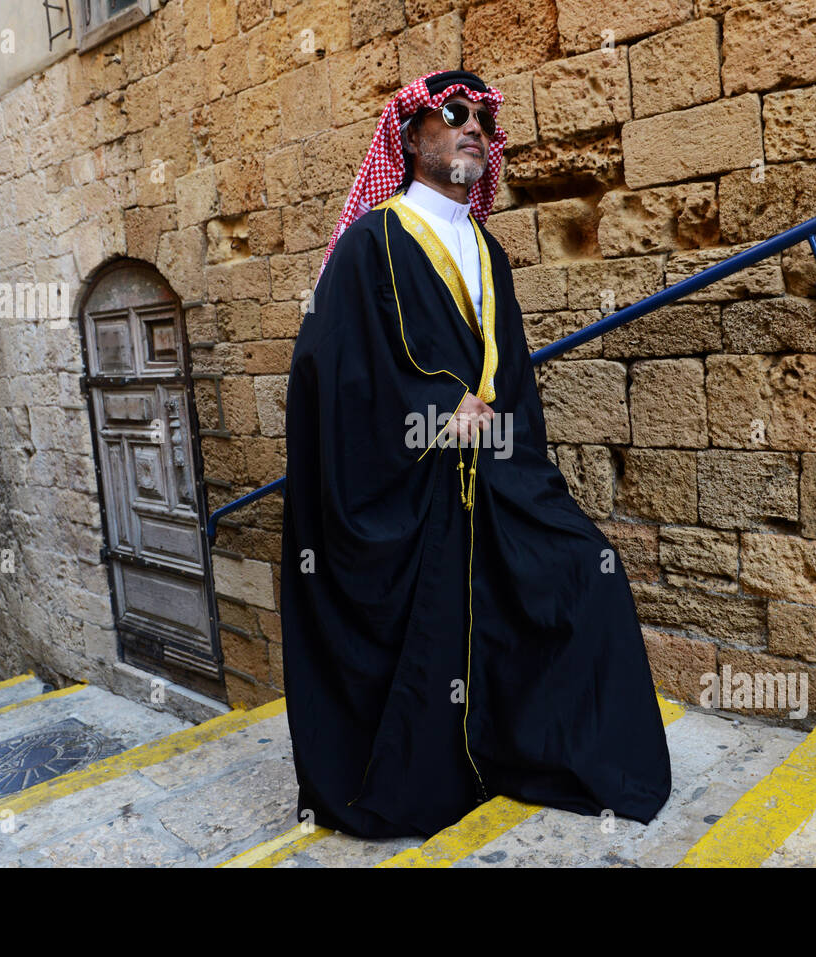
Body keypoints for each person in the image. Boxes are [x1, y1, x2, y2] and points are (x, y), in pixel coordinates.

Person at [280, 69, 672, 839]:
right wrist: (429, 407)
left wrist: (526, 472)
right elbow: (330, 374)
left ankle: (532, 753)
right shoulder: (372, 243)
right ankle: (422, 780)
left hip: (499, 474)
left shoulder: (488, 251)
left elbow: (515, 382)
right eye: (452, 113)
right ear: (410, 136)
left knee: (587, 579)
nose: (471, 130)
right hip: (408, 487)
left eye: (482, 123)